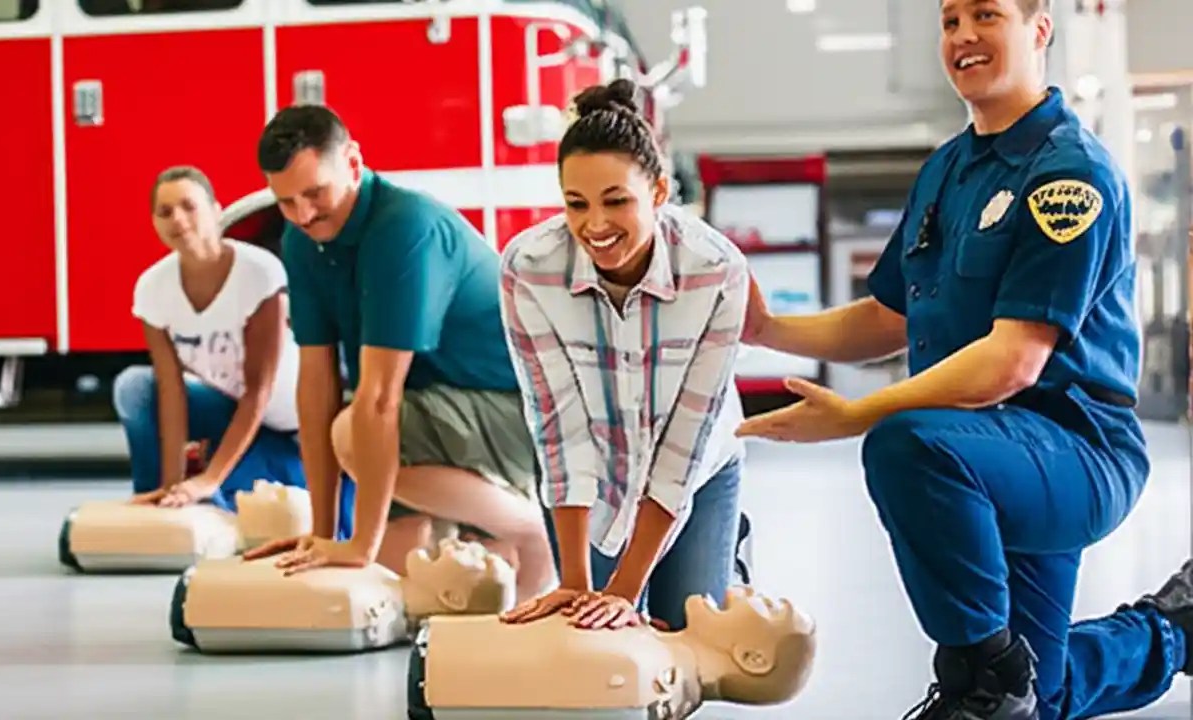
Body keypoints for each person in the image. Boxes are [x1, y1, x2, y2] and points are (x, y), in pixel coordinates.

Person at [735, 1, 1193, 718]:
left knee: (905, 444)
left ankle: (982, 680)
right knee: (1049, 692)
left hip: (1073, 451)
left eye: (987, 14)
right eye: (950, 20)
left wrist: (856, 414)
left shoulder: (1068, 176)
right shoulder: (949, 169)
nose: (964, 36)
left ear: (1039, 29)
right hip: (985, 450)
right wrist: (765, 329)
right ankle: (1173, 629)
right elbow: (888, 316)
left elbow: (1012, 363)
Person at [240, 104, 557, 601]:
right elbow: (316, 384)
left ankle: (532, 531)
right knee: (394, 580)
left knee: (352, 433)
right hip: (435, 407)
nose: (302, 214)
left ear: (353, 162)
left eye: (315, 193)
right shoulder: (302, 242)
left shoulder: (404, 228)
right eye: (285, 201)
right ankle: (484, 527)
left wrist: (358, 543)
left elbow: (380, 399)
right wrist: (327, 535)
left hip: (523, 415)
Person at [496, 79, 749, 633]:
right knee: (595, 629)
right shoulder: (529, 268)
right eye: (575, 204)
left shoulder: (715, 269)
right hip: (598, 474)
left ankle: (726, 555)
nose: (595, 225)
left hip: (696, 466)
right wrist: (576, 586)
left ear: (659, 193)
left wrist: (626, 589)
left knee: (686, 631)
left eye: (617, 201)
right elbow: (557, 428)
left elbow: (688, 439)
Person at [114, 165, 305, 512]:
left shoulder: (259, 273)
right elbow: (171, 391)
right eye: (165, 211)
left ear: (217, 212)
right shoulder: (153, 287)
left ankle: (227, 477)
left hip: (292, 427)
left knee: (226, 501)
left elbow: (259, 391)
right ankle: (153, 497)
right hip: (229, 408)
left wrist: (209, 479)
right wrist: (172, 484)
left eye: (189, 206)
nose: (178, 219)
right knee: (134, 388)